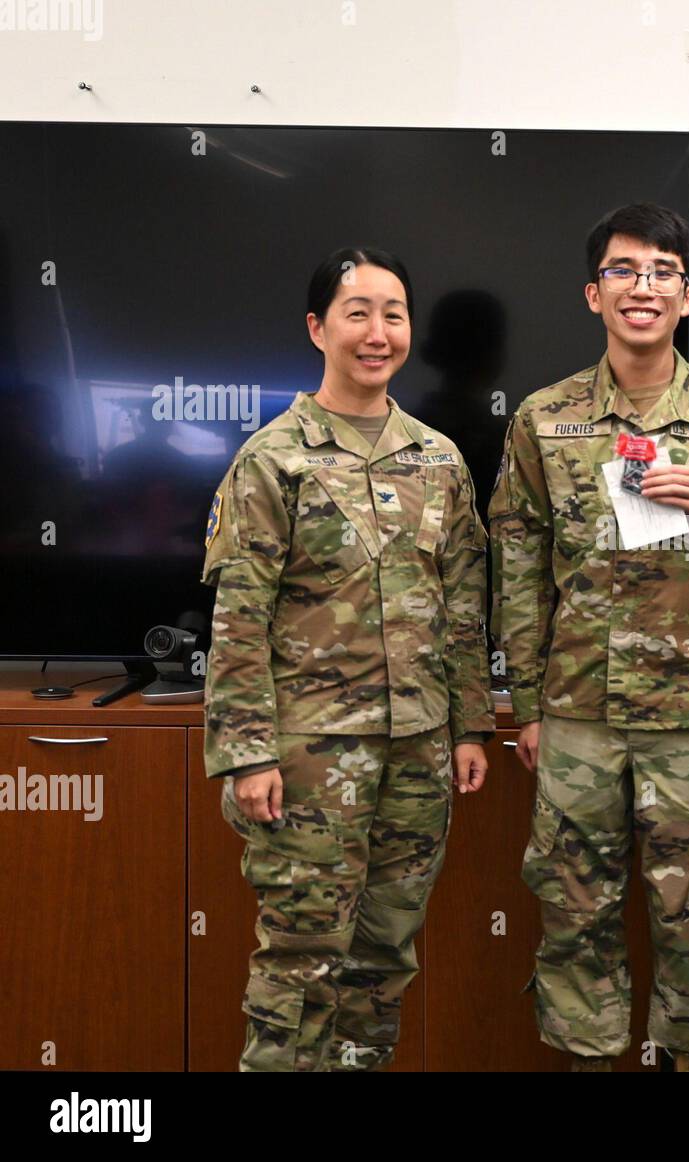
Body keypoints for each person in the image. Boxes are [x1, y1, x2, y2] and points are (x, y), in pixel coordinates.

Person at [489, 203, 689, 1072]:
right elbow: (515, 558)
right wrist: (523, 703)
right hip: (576, 715)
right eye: (625, 270)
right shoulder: (542, 419)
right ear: (594, 294)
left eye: (664, 271)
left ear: (688, 295)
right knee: (575, 908)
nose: (644, 286)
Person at [201, 247, 493, 1072]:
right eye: (357, 312)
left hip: (419, 753)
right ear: (317, 328)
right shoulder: (274, 458)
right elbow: (239, 620)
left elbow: (464, 609)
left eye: (393, 313)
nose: (377, 332)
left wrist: (470, 728)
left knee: (383, 963)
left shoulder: (438, 459)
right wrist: (248, 752)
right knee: (302, 963)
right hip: (308, 757)